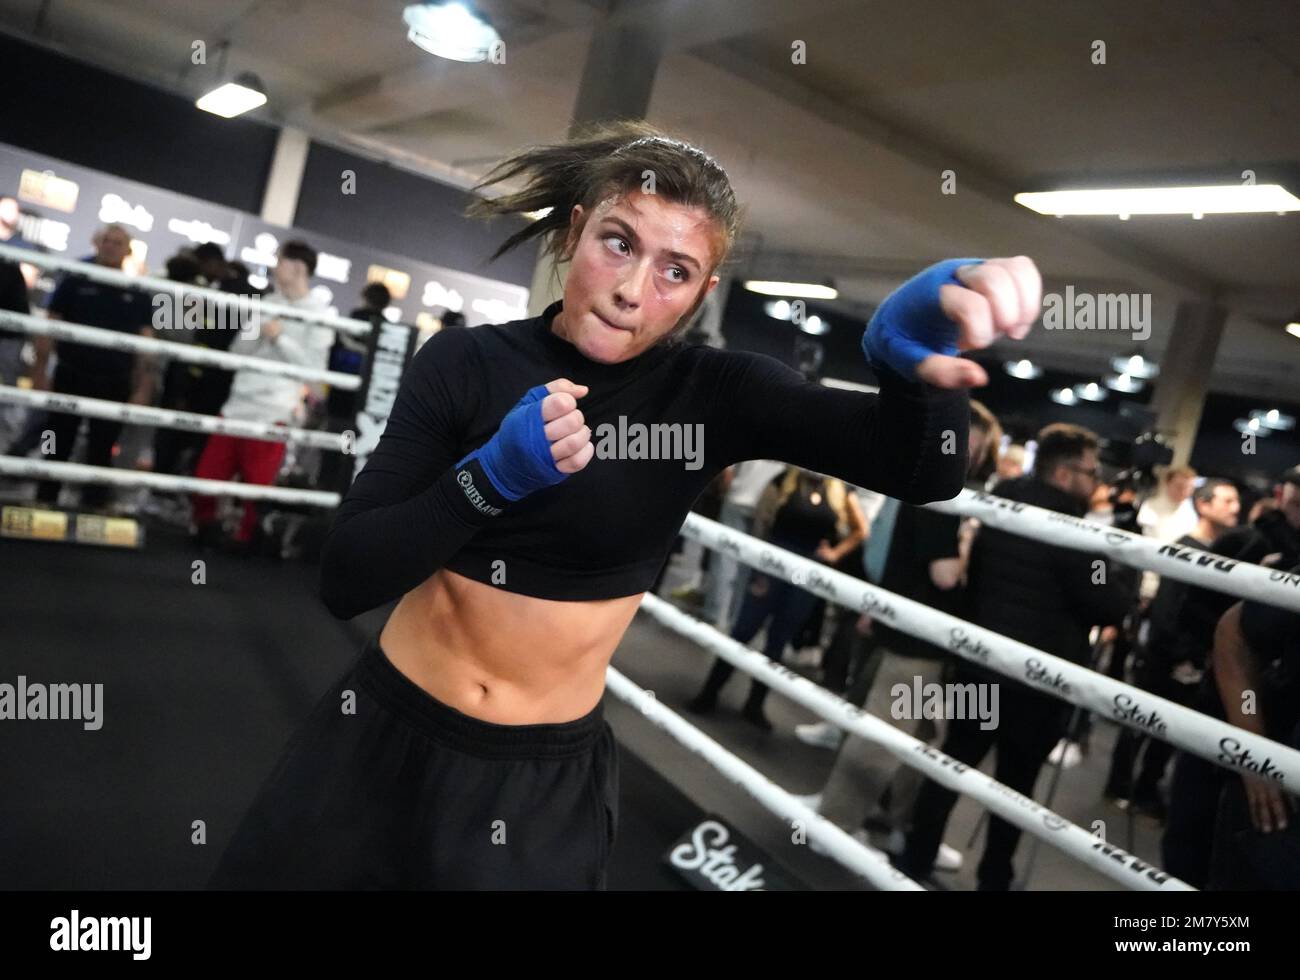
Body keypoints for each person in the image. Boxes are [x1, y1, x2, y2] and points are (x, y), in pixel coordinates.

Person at [207, 121, 1041, 890]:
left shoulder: (713, 393)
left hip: (536, 785)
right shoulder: (463, 363)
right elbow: (347, 577)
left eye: (674, 271)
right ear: (574, 233)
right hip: (380, 735)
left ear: (701, 290)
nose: (634, 289)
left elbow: (926, 472)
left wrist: (914, 369)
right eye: (618, 243)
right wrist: (487, 480)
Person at [897, 423, 1136, 889]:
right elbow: (1109, 605)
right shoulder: (1072, 530)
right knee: (1016, 788)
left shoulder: (1003, 500)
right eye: (1091, 472)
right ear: (1065, 475)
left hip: (981, 662)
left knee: (952, 765)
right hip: (1037, 683)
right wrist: (1122, 565)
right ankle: (993, 880)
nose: (1097, 482)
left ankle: (916, 856)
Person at [809, 400, 1002, 868]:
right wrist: (972, 545)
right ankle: (832, 826)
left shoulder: (930, 482)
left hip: (917, 631)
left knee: (919, 736)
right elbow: (944, 575)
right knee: (885, 738)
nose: (971, 450)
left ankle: (903, 831)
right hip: (918, 636)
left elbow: (893, 551)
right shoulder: (943, 493)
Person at [1162, 463, 1300, 887]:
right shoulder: (1243, 542)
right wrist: (1253, 747)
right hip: (1233, 716)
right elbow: (1224, 627)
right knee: (1194, 833)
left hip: (1250, 719)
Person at [685, 465, 868, 729]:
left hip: (807, 574)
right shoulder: (784, 479)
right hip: (772, 567)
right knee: (743, 630)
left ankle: (755, 703)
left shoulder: (840, 490)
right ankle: (710, 691)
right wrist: (758, 567)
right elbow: (761, 520)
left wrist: (835, 553)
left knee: (778, 641)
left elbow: (861, 530)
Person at [1104, 478, 1239, 816]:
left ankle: (1146, 787)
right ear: (1203, 505)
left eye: (1236, 500)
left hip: (1193, 661)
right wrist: (1179, 655)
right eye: (1226, 501)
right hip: (1166, 658)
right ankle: (1119, 785)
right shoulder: (1185, 548)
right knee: (1140, 723)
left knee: (1170, 735)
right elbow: (1167, 610)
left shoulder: (1222, 553)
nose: (1235, 508)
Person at [189, 240, 332, 552]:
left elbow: (315, 372)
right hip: (238, 402)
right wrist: (259, 331)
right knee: (206, 476)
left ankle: (249, 539)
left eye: (279, 261)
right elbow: (237, 351)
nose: (273, 267)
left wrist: (281, 339)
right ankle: (205, 527)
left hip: (274, 409)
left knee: (257, 485)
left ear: (298, 267)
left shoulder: (321, 314)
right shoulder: (267, 302)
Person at [27, 223, 155, 511]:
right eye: (106, 241)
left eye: (117, 242)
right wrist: (39, 370)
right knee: (56, 440)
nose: (111, 246)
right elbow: (50, 325)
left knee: (104, 445)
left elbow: (147, 346)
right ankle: (45, 497)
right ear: (97, 244)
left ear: (128, 250)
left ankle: (94, 504)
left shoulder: (137, 292)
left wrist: (143, 388)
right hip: (71, 372)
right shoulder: (75, 279)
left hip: (114, 380)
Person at [317, 281, 387, 494]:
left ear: (364, 297)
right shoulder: (387, 332)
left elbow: (331, 358)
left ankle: (323, 500)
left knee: (333, 455)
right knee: (349, 458)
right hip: (363, 411)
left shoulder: (350, 322)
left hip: (340, 405)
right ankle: (336, 503)